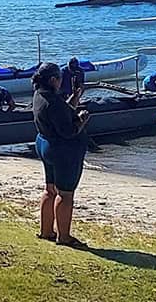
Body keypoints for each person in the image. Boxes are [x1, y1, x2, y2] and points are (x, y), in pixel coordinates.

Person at [32, 63, 89, 248]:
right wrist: (81, 121)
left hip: (44, 143)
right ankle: (64, 236)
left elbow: (63, 111)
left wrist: (76, 97)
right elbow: (68, 131)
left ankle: (46, 230)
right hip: (62, 150)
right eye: (60, 78)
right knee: (65, 194)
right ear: (53, 80)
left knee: (50, 190)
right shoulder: (52, 103)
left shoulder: (40, 95)